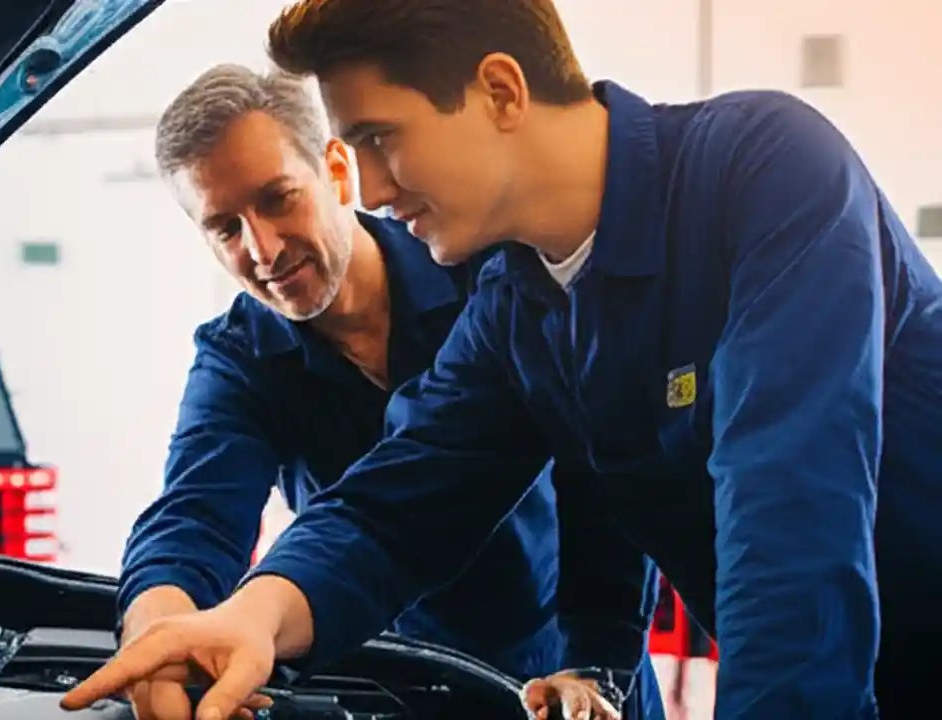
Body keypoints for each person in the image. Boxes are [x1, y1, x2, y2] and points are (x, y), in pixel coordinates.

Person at [63, 1, 942, 716]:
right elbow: (394, 505)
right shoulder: (519, 310)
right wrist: (253, 617)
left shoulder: (765, 170)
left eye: (377, 137)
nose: (366, 190)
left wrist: (602, 663)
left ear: (500, 91)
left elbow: (789, 516)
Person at [94, 63, 665, 720]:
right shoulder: (241, 358)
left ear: (337, 170)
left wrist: (594, 663)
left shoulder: (488, 277)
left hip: (570, 675)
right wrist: (159, 628)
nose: (263, 248)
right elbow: (196, 511)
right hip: (400, 687)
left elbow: (602, 474)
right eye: (225, 227)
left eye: (279, 198)